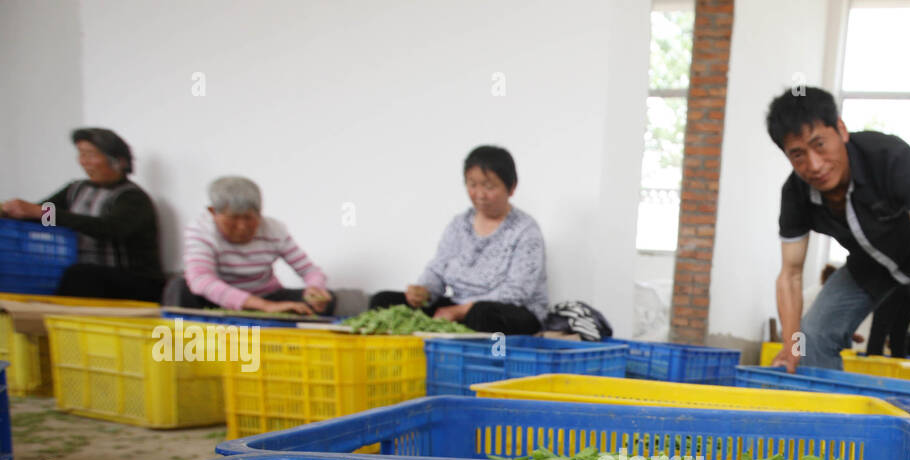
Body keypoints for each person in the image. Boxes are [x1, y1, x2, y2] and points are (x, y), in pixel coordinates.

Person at [767, 88, 910, 391]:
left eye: (819, 145)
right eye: (798, 155)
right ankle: (836, 425)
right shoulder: (795, 194)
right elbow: (791, 274)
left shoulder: (891, 158)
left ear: (841, 130)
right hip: (870, 263)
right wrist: (790, 344)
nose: (814, 164)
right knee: (812, 337)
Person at [369, 146, 547, 334]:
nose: (480, 194)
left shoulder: (526, 230)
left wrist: (461, 311)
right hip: (459, 306)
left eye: (489, 186)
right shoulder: (459, 224)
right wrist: (423, 291)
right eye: (472, 185)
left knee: (482, 315)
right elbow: (438, 269)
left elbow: (516, 293)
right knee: (382, 301)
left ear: (511, 188)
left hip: (511, 312)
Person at [1, 128, 163, 301]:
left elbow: (110, 229)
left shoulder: (133, 197)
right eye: (81, 154)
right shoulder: (76, 189)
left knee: (79, 274)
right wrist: (11, 211)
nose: (84, 162)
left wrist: (44, 213)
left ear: (119, 161)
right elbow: (39, 215)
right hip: (89, 277)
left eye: (90, 155)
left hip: (136, 282)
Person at [177, 177, 334, 315]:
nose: (242, 226)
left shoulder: (274, 230)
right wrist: (265, 307)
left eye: (249, 218)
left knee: (329, 301)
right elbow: (201, 280)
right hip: (219, 301)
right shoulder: (201, 230)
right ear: (213, 212)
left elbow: (309, 271)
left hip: (266, 296)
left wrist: (315, 289)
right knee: (180, 289)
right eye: (233, 218)